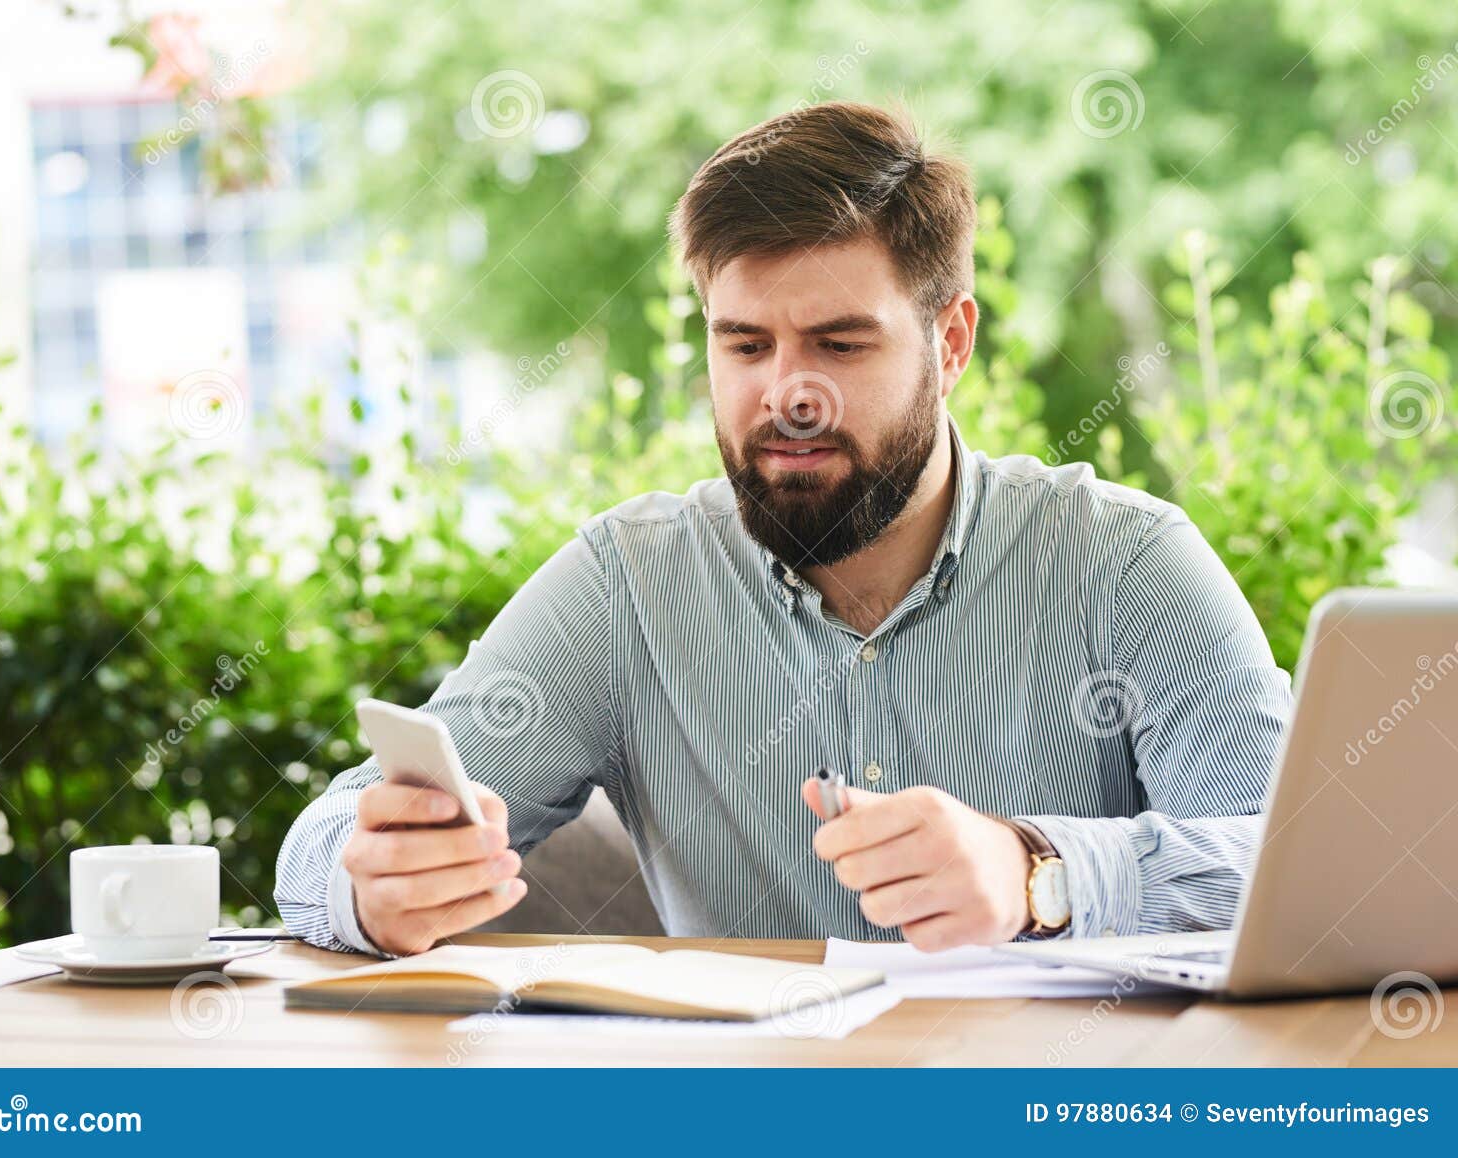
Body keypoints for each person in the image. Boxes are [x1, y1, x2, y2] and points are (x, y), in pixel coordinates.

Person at [275, 101, 1291, 957]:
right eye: (745, 344)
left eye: (839, 343)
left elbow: (1311, 872)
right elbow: (326, 837)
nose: (786, 395)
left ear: (951, 342)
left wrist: (1038, 874)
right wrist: (368, 884)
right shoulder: (631, 583)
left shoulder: (1123, 564)